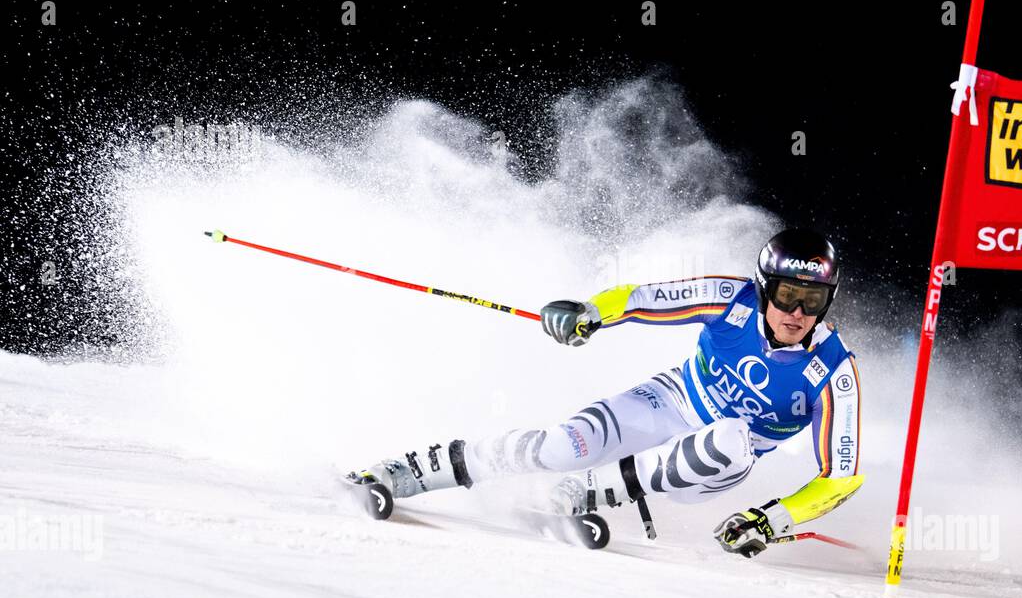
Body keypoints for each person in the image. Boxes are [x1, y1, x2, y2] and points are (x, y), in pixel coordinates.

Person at [345, 228, 863, 557]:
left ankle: (586, 491)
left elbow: (843, 478)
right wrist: (587, 314)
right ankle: (411, 471)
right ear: (764, 287)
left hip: (714, 462)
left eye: (812, 300)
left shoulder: (834, 372)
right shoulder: (731, 299)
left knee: (730, 437)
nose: (797, 312)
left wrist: (770, 521)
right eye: (788, 295)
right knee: (561, 446)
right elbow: (640, 300)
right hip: (671, 401)